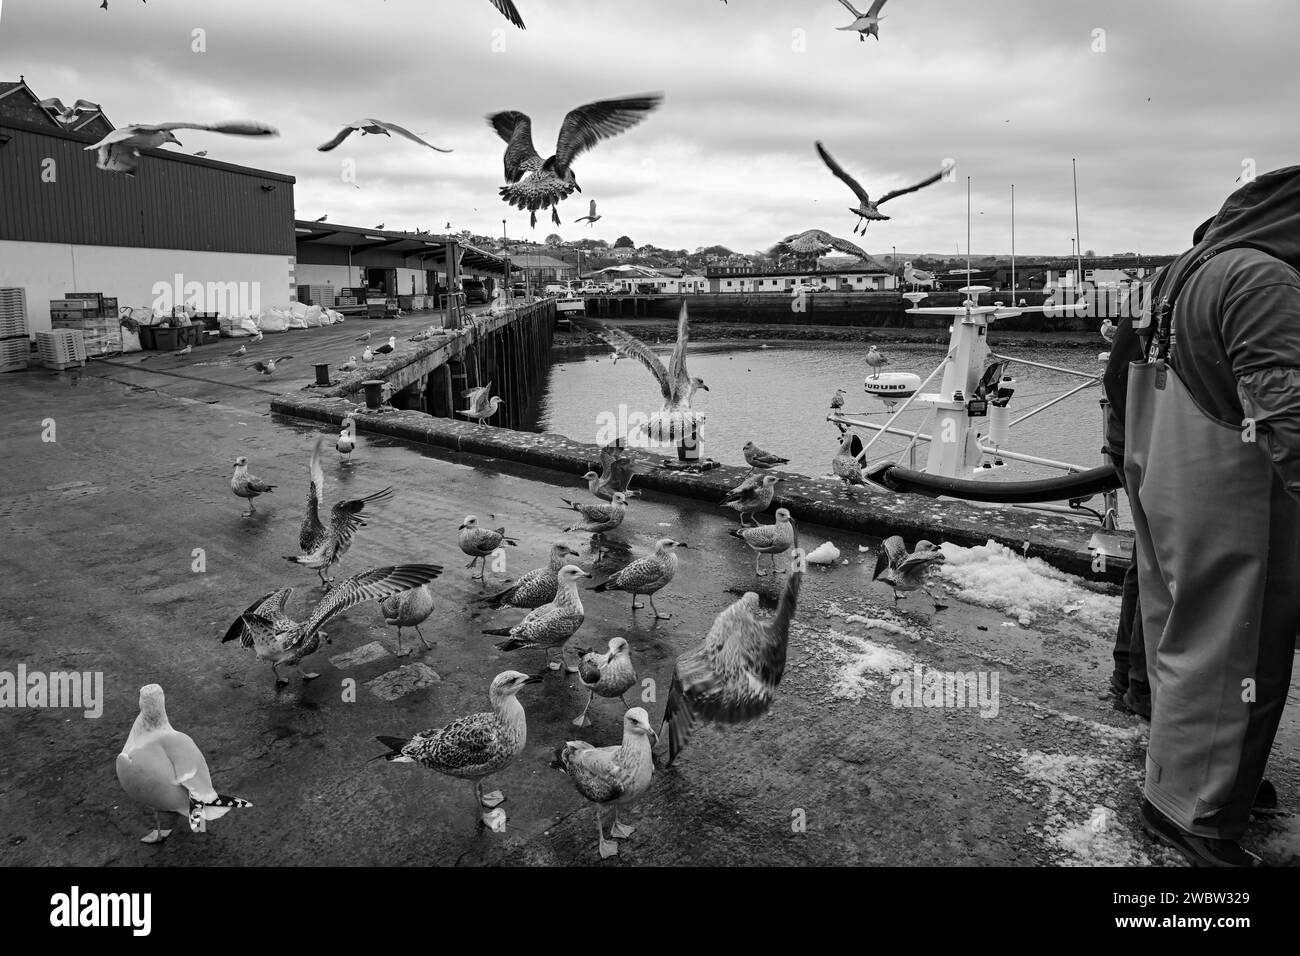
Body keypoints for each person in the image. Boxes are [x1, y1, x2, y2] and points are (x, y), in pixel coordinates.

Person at [1118, 167, 1300, 867]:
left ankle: (1198, 782)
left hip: (1163, 465)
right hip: (1236, 488)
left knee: (1182, 635)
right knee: (1240, 646)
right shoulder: (1264, 280)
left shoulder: (1181, 272)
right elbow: (1288, 409)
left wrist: (1124, 461)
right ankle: (1197, 814)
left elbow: (1121, 374)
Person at [1101, 302, 1153, 720]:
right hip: (1154, 446)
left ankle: (1130, 678)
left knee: (1147, 559)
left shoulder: (1156, 289)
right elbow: (1117, 378)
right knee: (1158, 564)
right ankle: (1141, 686)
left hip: (1135, 441)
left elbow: (1117, 375)